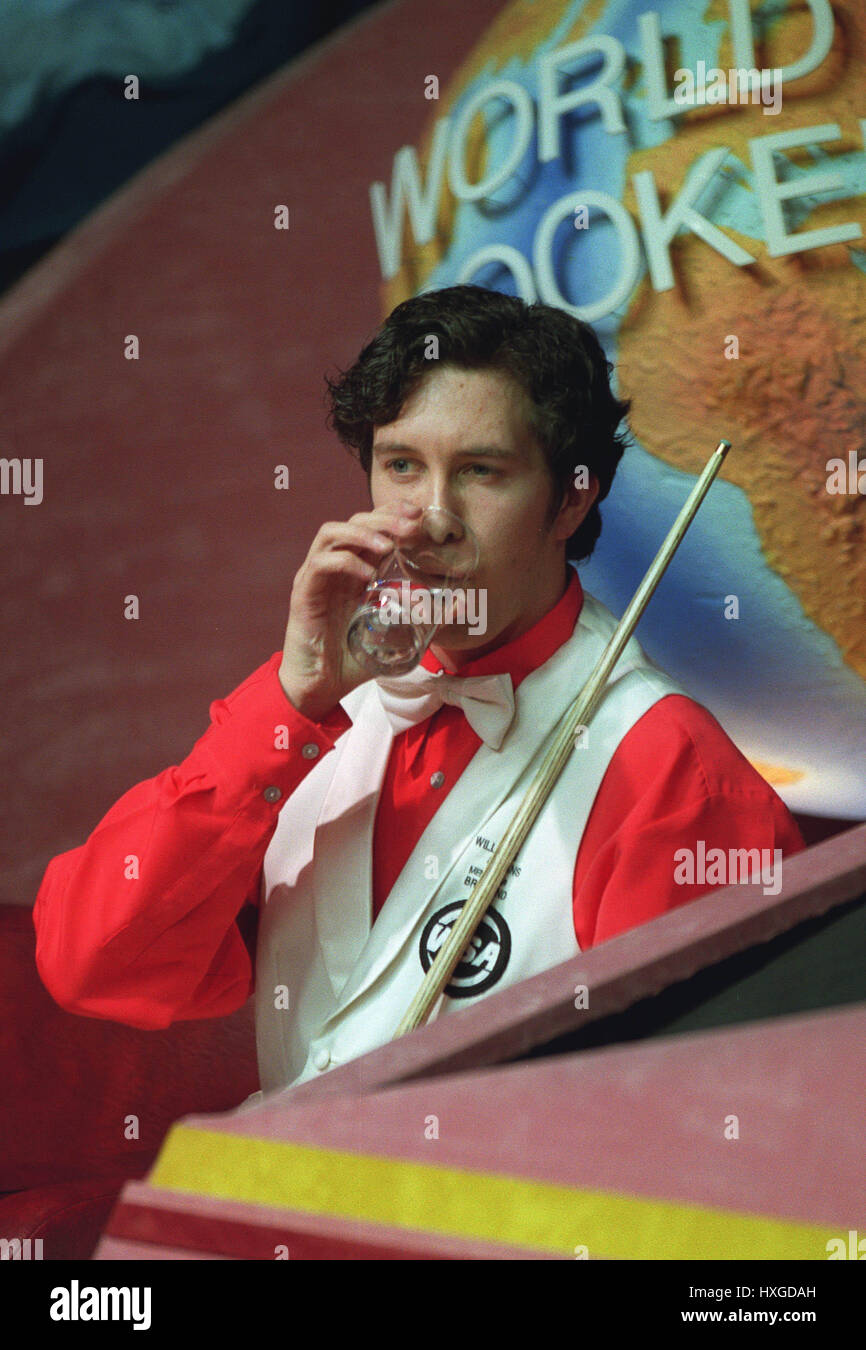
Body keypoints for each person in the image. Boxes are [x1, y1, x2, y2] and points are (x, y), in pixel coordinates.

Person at [33, 285, 804, 1094]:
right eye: (402, 466)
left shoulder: (676, 777)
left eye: (480, 472)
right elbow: (96, 964)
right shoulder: (312, 721)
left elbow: (677, 1135)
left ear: (572, 497)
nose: (432, 517)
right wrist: (290, 703)